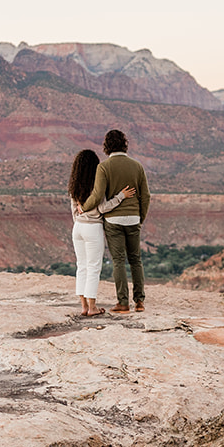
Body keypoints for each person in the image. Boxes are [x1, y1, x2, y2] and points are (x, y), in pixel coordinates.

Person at [82, 129, 150, 314]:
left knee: (119, 260)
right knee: (136, 260)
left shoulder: (104, 167)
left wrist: (84, 207)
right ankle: (140, 302)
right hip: (133, 218)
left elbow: (97, 196)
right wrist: (139, 218)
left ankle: (123, 302)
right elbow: (146, 196)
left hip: (113, 220)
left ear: (107, 146)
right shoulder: (137, 166)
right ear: (125, 144)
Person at [68, 150, 134, 317]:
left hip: (78, 227)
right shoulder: (97, 185)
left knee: (81, 266)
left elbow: (73, 209)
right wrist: (121, 196)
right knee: (93, 268)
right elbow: (103, 208)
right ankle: (92, 308)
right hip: (93, 228)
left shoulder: (74, 185)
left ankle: (83, 306)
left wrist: (80, 218)